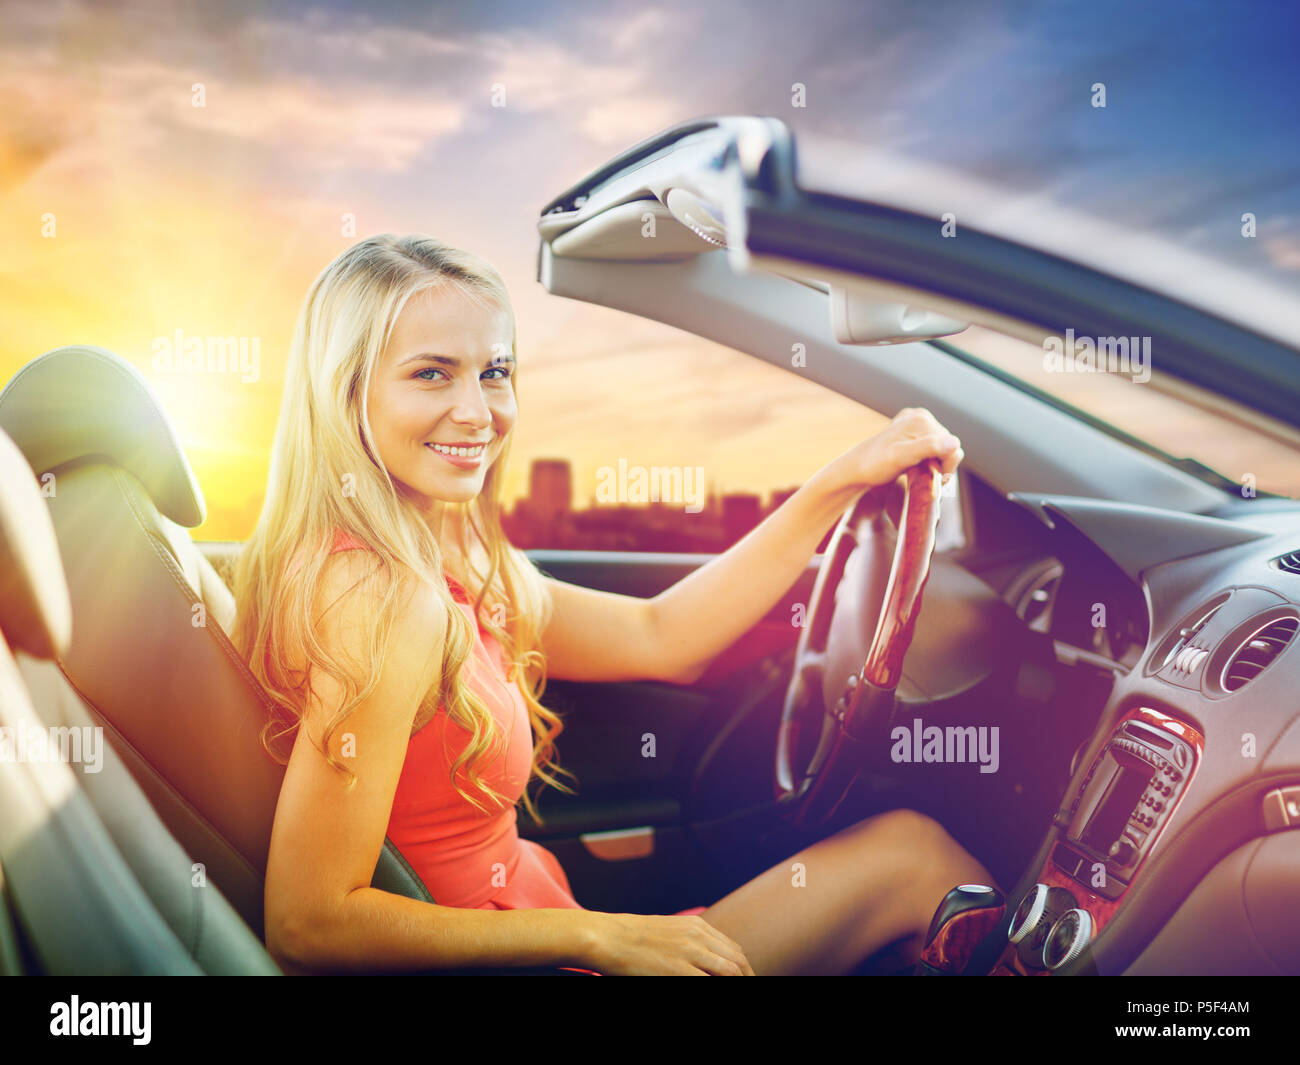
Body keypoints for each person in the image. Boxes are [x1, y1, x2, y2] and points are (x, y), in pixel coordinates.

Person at [230, 233, 995, 976]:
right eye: (431, 374)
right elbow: (310, 922)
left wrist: (846, 476)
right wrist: (596, 938)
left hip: (545, 935)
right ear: (347, 390)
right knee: (915, 858)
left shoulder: (445, 555)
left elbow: (661, 634)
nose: (477, 411)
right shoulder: (381, 599)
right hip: (542, 958)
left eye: (494, 371)